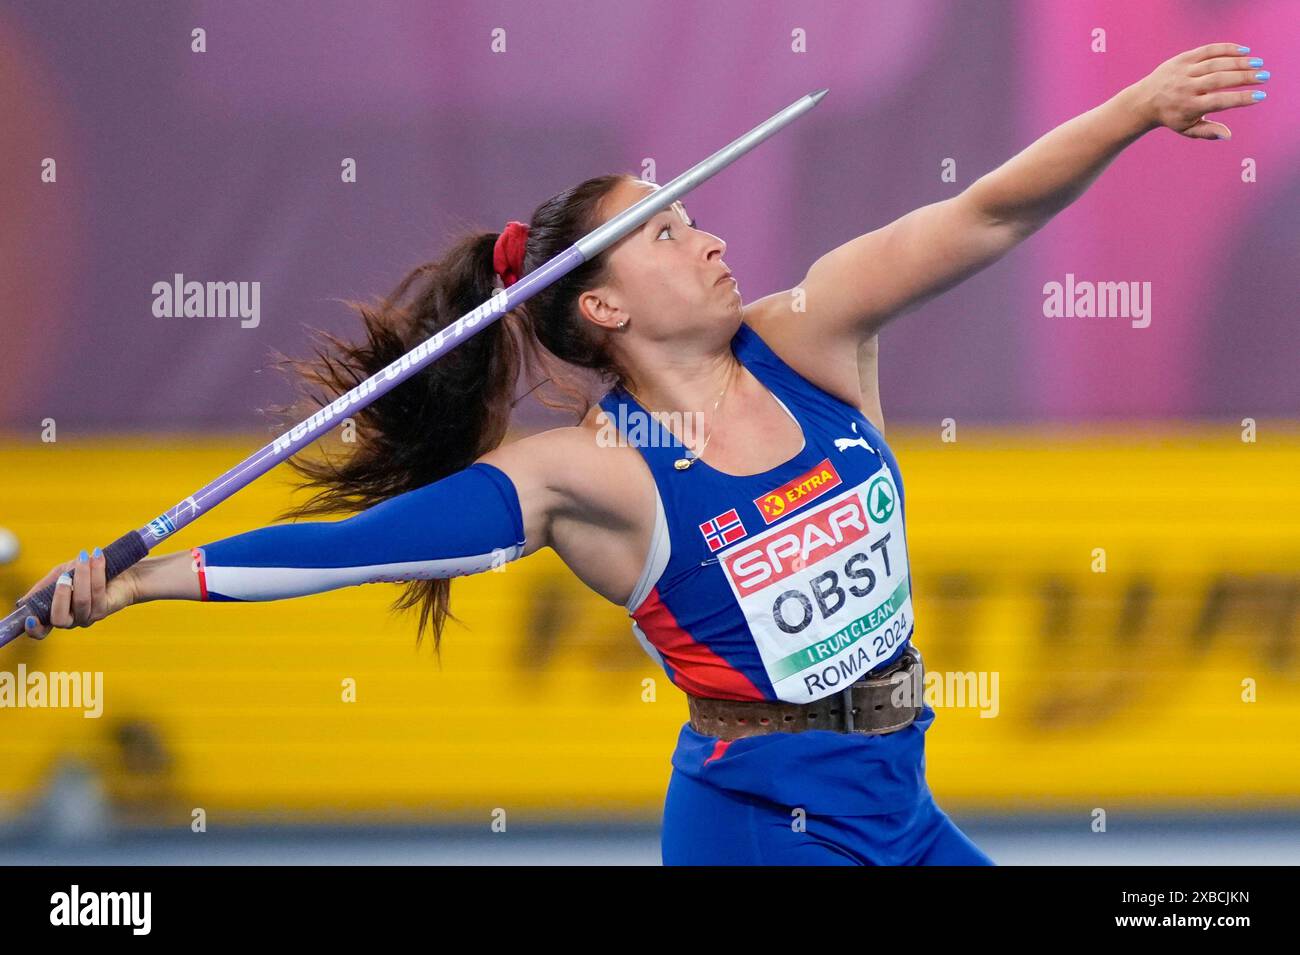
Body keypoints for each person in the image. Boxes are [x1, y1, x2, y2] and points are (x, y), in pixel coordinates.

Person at [20, 44, 1268, 864]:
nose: (710, 239)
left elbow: (984, 210)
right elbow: (350, 551)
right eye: (668, 234)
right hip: (763, 830)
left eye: (697, 216)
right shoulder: (591, 475)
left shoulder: (816, 331)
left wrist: (1131, 109)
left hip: (899, 797)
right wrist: (135, 580)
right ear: (602, 308)